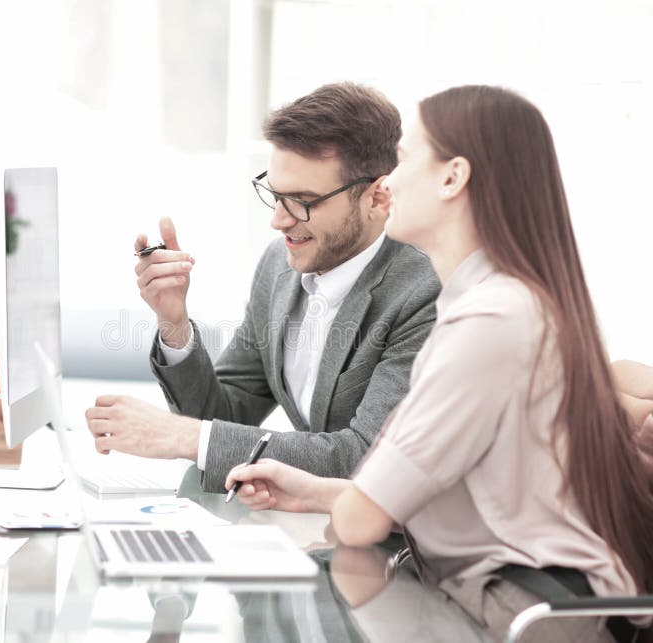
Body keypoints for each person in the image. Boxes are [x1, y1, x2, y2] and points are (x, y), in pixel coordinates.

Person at [226, 85, 653, 642]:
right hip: (510, 602)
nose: (390, 180)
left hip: (521, 615)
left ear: (453, 177)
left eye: (405, 158)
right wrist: (316, 490)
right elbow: (467, 498)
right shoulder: (499, 302)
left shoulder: (490, 321)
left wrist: (347, 498)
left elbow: (362, 521)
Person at [85, 82, 440, 493]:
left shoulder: (426, 292)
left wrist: (183, 438)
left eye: (304, 200)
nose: (279, 220)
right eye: (275, 194)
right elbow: (225, 413)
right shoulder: (279, 265)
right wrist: (174, 323)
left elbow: (365, 459)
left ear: (379, 197)